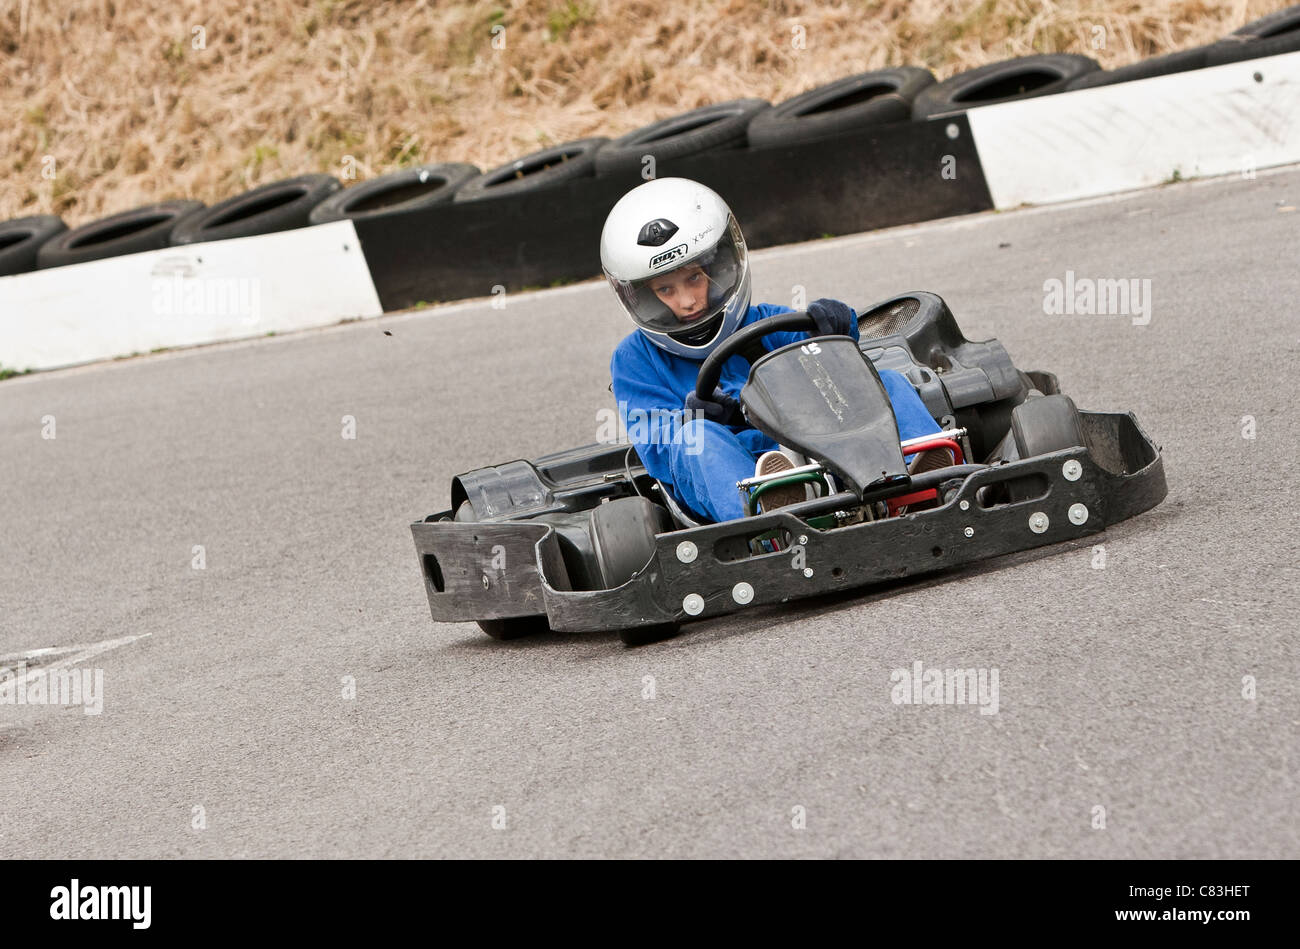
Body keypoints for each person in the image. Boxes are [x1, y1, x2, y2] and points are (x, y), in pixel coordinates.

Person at [600, 177, 941, 523]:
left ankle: (926, 480)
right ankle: (768, 517)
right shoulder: (634, 360)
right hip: (731, 468)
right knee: (696, 438)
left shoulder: (765, 322)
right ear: (642, 296)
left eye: (694, 279)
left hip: (812, 448)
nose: (688, 301)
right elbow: (654, 442)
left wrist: (837, 326)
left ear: (718, 267)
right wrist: (700, 417)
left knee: (887, 383)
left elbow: (833, 371)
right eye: (666, 290)